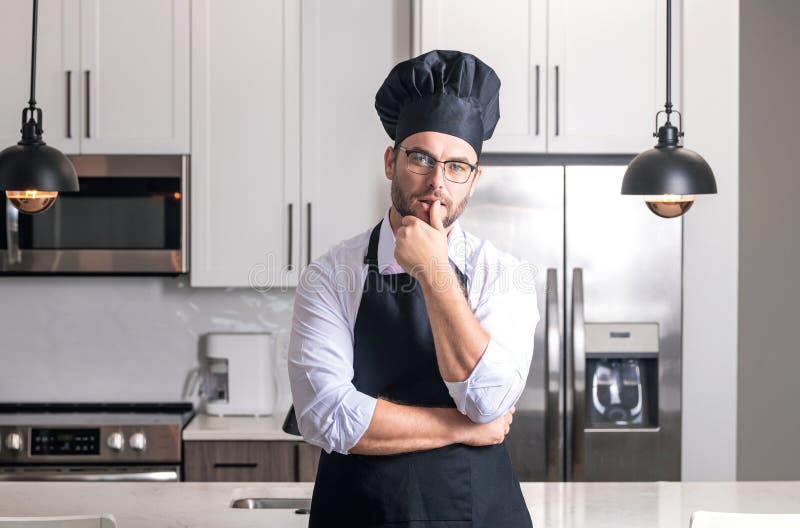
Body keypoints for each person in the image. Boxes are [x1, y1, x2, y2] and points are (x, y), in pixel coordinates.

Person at [288, 49, 539, 527]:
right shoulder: (331, 275)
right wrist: (462, 428)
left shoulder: (503, 274)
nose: (437, 182)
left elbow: (487, 401)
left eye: (457, 167)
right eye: (421, 158)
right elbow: (326, 414)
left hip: (475, 513)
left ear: (474, 180)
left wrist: (433, 270)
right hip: (360, 513)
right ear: (391, 161)